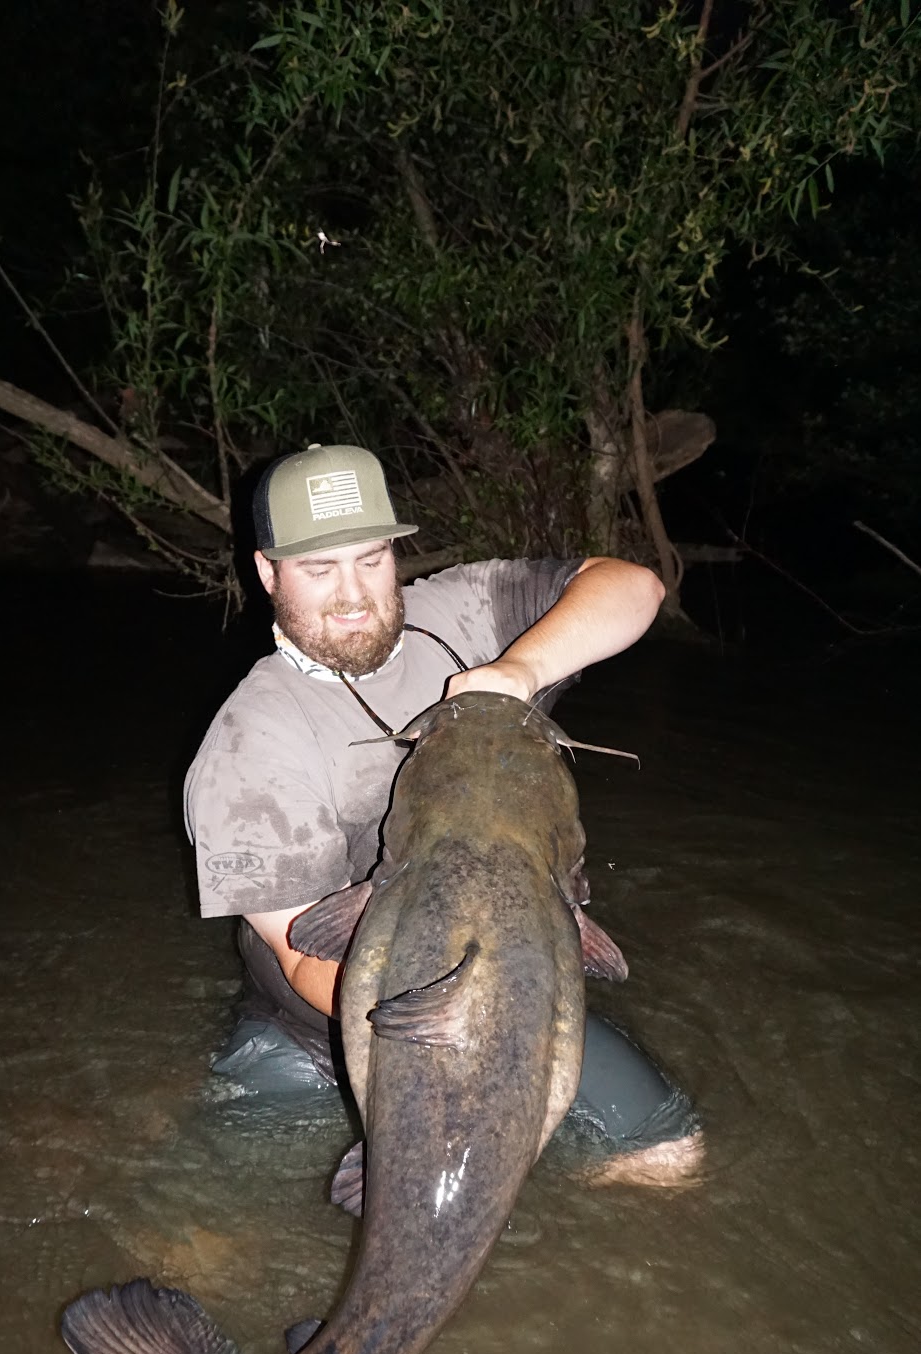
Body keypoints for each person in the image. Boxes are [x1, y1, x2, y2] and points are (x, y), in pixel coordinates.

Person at [184, 443, 702, 1189]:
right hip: (313, 1027)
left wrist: (516, 673)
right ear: (266, 572)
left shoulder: (458, 611)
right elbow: (304, 960)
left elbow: (631, 585)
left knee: (668, 1161)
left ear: (396, 551)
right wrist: (461, 1031)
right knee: (213, 1207)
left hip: (516, 981)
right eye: (317, 568)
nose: (352, 593)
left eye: (369, 559)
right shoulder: (246, 749)